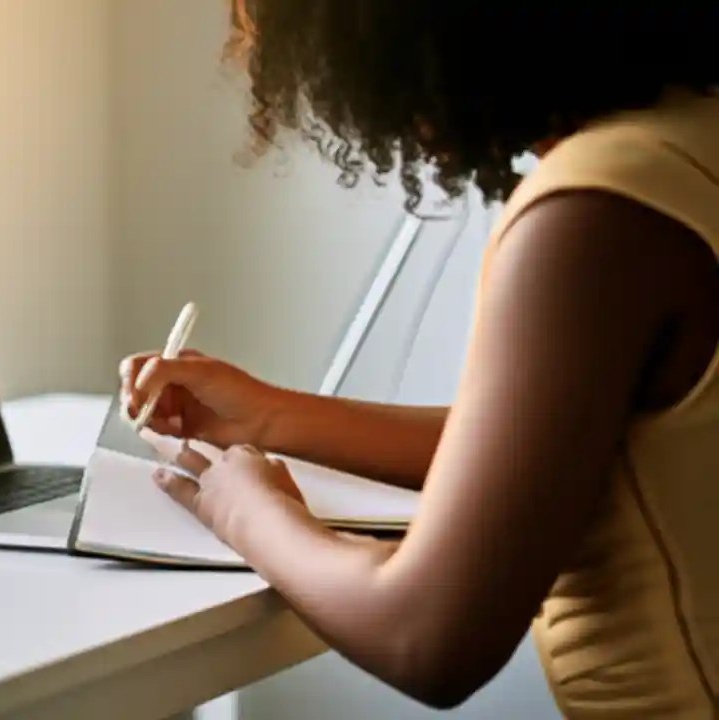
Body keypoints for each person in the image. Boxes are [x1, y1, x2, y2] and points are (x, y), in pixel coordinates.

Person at [120, 1, 719, 715]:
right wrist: (271, 415)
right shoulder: (689, 143)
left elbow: (426, 635)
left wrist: (248, 514)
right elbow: (551, 448)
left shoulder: (594, 215)